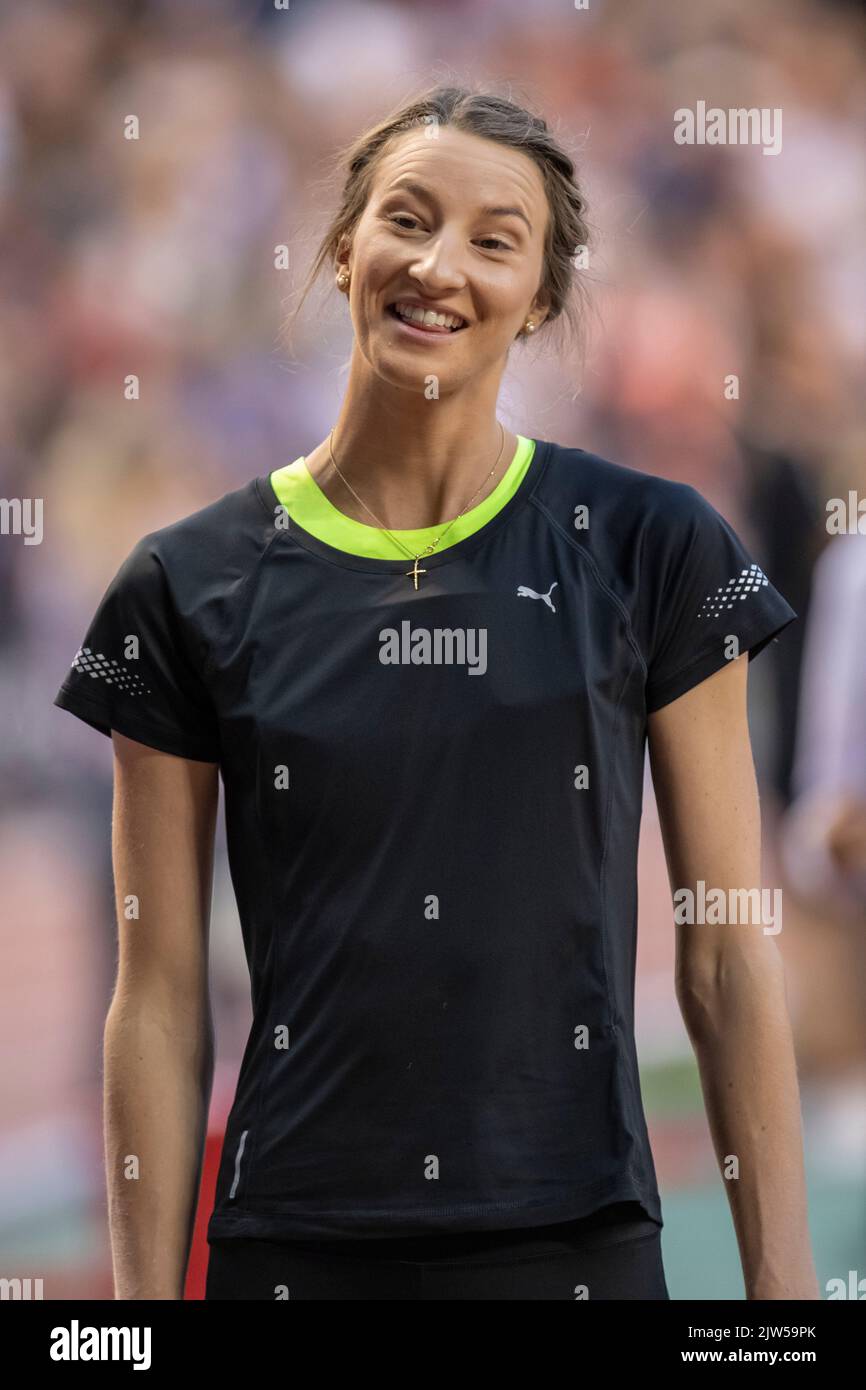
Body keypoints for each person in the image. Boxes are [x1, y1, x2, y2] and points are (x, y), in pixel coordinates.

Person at [54, 84, 817, 1301]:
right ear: (343, 244)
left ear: (543, 298)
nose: (437, 266)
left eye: (493, 240)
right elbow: (152, 996)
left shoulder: (652, 547)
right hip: (292, 1246)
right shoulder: (185, 584)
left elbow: (725, 944)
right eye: (405, 219)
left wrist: (782, 1307)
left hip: (574, 1240)